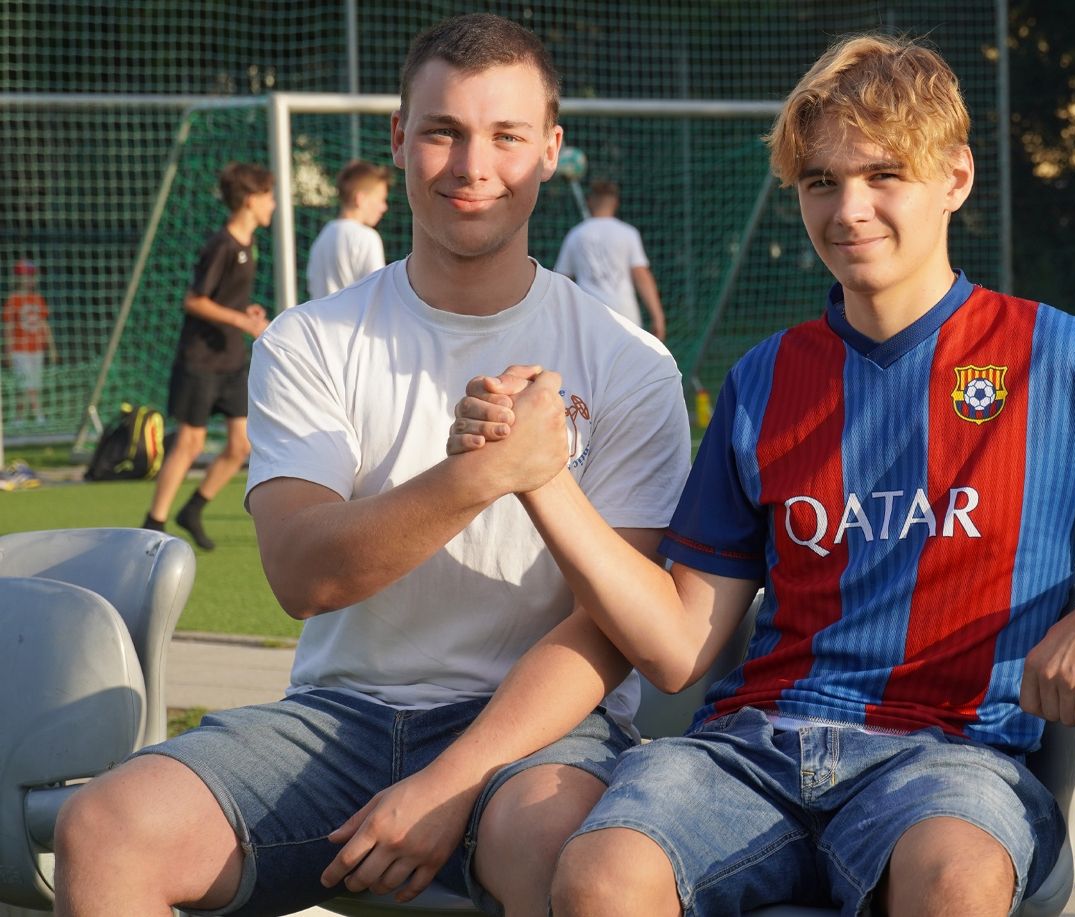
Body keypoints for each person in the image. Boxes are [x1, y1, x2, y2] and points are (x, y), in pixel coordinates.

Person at [454, 33, 1075, 916]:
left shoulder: (1053, 360)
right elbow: (682, 647)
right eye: (821, 183)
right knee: (600, 875)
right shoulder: (764, 378)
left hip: (951, 757)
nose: (850, 210)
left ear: (954, 179)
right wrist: (543, 480)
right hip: (750, 751)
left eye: (883, 175)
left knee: (955, 881)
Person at [55, 13, 688, 917]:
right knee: (108, 828)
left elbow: (614, 626)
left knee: (557, 846)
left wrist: (453, 780)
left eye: (507, 136)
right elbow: (304, 573)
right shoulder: (312, 339)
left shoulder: (629, 363)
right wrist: (480, 472)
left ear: (551, 151)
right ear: (398, 140)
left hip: (538, 736)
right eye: (443, 131)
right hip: (339, 719)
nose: (474, 165)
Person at [139, 162, 274, 552]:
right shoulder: (222, 245)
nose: (274, 204)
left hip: (231, 360)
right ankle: (154, 523)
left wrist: (244, 312)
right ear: (250, 201)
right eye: (268, 196)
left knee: (239, 446)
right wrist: (239, 320)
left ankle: (194, 508)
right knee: (191, 444)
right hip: (200, 360)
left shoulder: (248, 244)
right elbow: (194, 300)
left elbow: (224, 298)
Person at [554, 180, 667, 340]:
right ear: (615, 202)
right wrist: (658, 317)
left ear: (590, 201)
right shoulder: (628, 233)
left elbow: (561, 280)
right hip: (626, 317)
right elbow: (641, 275)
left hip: (588, 318)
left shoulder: (576, 235)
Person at [306, 160, 392, 300]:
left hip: (320, 320)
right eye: (381, 199)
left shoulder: (322, 237)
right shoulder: (367, 237)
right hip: (354, 321)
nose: (384, 207)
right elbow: (377, 294)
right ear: (360, 199)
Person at [2, 258, 57, 424]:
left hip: (36, 349)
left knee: (34, 383)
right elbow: (8, 327)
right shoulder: (13, 300)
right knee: (25, 384)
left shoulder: (37, 299)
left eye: (31, 276)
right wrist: (8, 351)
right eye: (25, 276)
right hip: (20, 350)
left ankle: (20, 418)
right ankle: (38, 415)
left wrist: (52, 348)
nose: (29, 279)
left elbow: (44, 324)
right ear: (18, 278)